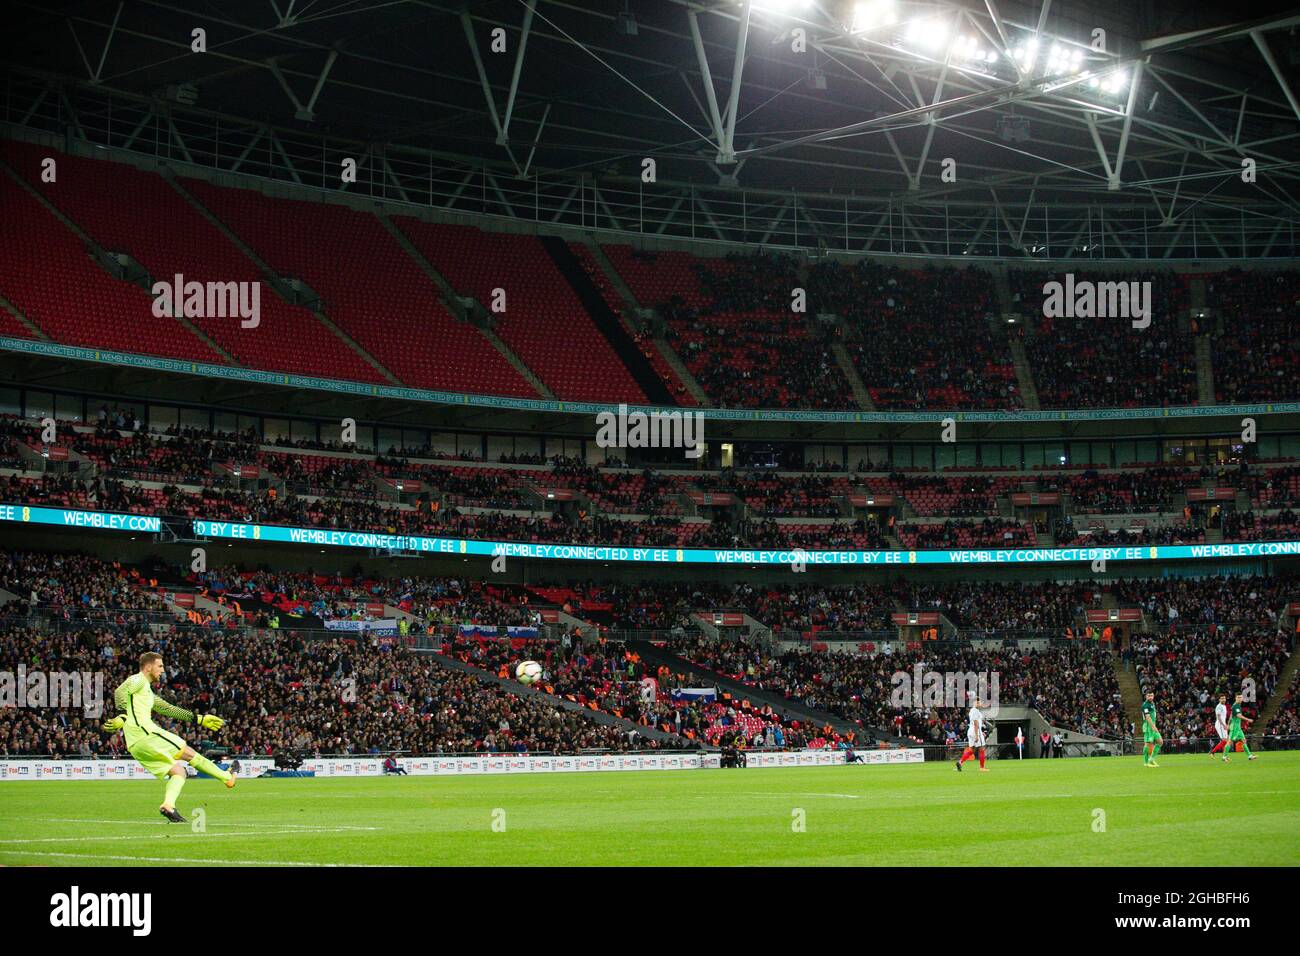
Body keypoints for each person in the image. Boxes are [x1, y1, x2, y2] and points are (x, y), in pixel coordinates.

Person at [101, 651, 235, 822]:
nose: (163, 670)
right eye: (160, 666)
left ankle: (168, 806)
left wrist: (199, 719)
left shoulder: (145, 691)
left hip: (135, 744)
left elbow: (167, 709)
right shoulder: (138, 679)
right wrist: (122, 715)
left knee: (179, 771)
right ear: (148, 667)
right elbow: (120, 691)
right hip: (146, 733)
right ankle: (226, 777)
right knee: (188, 753)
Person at [955, 697, 989, 772]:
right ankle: (982, 767)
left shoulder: (972, 711)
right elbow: (976, 723)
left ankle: (960, 762)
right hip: (975, 731)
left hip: (970, 731)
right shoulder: (976, 711)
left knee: (972, 750)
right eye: (979, 702)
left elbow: (976, 723)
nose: (980, 703)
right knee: (982, 749)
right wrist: (977, 735)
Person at [1227, 693, 1257, 761]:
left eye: (1241, 697)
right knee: (1230, 741)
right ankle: (1224, 756)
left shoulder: (1235, 705)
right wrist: (1248, 719)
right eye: (1238, 697)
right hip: (1235, 727)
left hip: (1238, 727)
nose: (1240, 699)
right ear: (1235, 698)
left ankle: (1249, 756)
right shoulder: (1236, 706)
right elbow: (1239, 716)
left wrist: (1228, 724)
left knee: (1244, 740)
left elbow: (1231, 716)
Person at [1141, 690, 1162, 767]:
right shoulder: (1145, 705)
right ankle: (1146, 763)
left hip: (1153, 726)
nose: (1150, 697)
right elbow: (1147, 717)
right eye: (1149, 696)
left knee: (1160, 742)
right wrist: (1153, 726)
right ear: (1146, 696)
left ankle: (1151, 759)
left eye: (1152, 696)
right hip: (1148, 727)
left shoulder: (1152, 704)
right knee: (1148, 743)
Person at [1209, 693, 1231, 761]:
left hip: (1223, 724)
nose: (1223, 699)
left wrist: (1226, 724)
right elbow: (1218, 717)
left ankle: (1224, 756)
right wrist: (1224, 725)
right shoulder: (1219, 706)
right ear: (1219, 699)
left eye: (1224, 698)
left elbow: (1224, 717)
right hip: (1220, 724)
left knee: (1226, 741)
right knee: (1225, 740)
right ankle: (1212, 752)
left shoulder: (1224, 706)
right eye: (1222, 698)